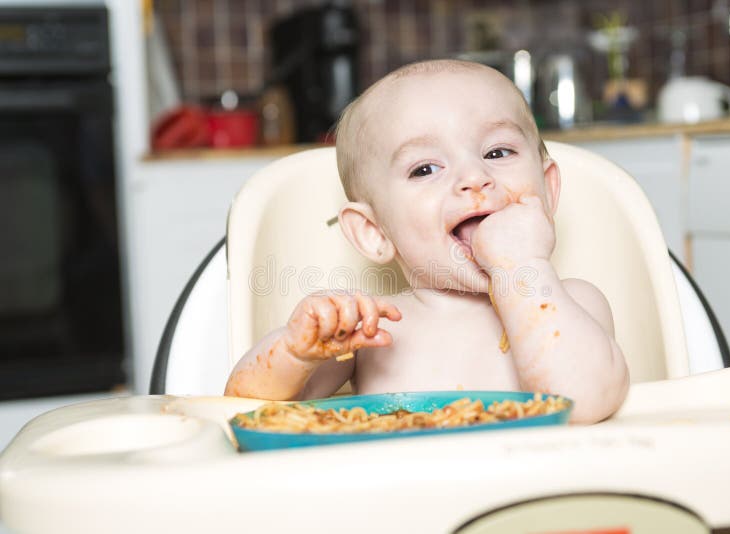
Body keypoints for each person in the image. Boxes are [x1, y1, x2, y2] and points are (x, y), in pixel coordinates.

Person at [225, 59, 629, 423]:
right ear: (375, 232)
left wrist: (524, 268)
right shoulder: (373, 334)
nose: (474, 177)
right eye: (425, 169)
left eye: (498, 152)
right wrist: (294, 352)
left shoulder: (574, 304)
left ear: (548, 190)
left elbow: (583, 404)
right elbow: (248, 408)